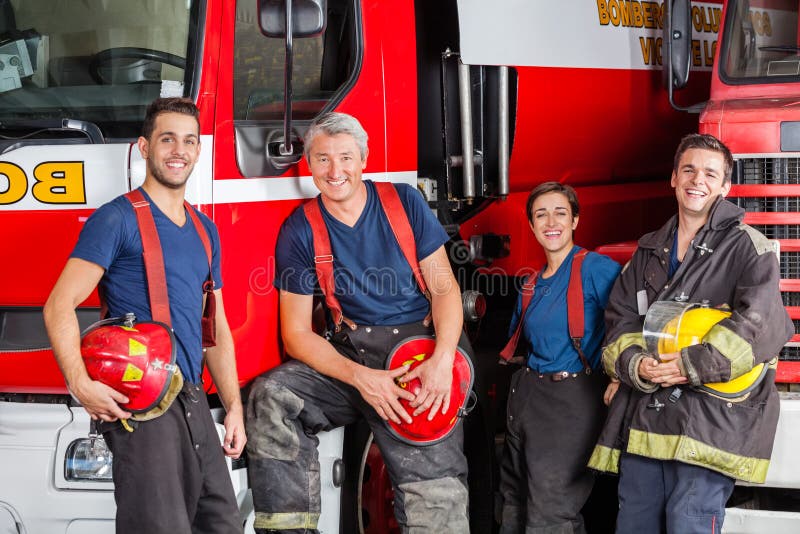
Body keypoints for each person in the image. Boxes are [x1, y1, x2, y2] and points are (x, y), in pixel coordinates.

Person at [245, 112, 469, 533]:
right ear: (309, 164)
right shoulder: (301, 229)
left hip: (416, 359)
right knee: (272, 397)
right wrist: (361, 378)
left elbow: (445, 291)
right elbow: (296, 334)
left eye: (346, 157)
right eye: (323, 159)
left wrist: (441, 362)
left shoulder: (404, 203)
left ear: (363, 160)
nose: (335, 171)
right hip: (352, 360)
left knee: (434, 498)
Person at [43, 97, 246, 534]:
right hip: (143, 406)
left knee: (223, 524)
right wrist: (80, 384)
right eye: (167, 139)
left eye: (188, 141)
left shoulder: (205, 229)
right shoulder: (115, 219)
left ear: (198, 150)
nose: (179, 150)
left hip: (193, 399)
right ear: (144, 147)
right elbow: (59, 305)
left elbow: (215, 329)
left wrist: (233, 407)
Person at [587, 133, 793, 533]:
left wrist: (688, 365)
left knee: (689, 522)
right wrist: (636, 364)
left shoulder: (748, 248)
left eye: (710, 174)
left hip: (709, 421)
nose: (698, 180)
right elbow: (619, 320)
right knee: (634, 524)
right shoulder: (648, 251)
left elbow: (758, 326)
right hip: (647, 418)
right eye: (689, 170)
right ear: (674, 178)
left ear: (725, 186)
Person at [497, 182, 620, 534]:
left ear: (575, 220)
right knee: (513, 504)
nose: (551, 222)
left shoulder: (595, 268)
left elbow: (629, 321)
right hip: (526, 398)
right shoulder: (531, 284)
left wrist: (618, 375)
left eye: (560, 213)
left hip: (571, 401)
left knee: (550, 512)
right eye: (541, 215)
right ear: (532, 225)